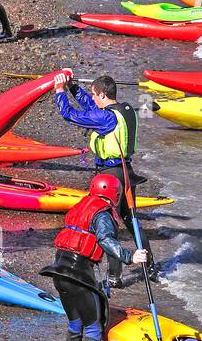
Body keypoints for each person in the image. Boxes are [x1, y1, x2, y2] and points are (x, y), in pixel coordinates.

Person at [42, 174, 148, 341]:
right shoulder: (102, 213)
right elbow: (105, 241)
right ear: (114, 194)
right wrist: (131, 256)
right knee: (92, 327)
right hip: (79, 274)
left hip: (59, 272)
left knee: (75, 324)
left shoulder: (82, 205)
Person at [53, 71, 151, 287]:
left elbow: (70, 115)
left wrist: (60, 92)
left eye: (95, 96)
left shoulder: (106, 117)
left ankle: (115, 277)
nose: (94, 100)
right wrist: (72, 87)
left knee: (108, 224)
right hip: (126, 172)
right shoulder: (125, 109)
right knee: (130, 219)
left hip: (110, 177)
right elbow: (89, 106)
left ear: (103, 95)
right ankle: (149, 267)